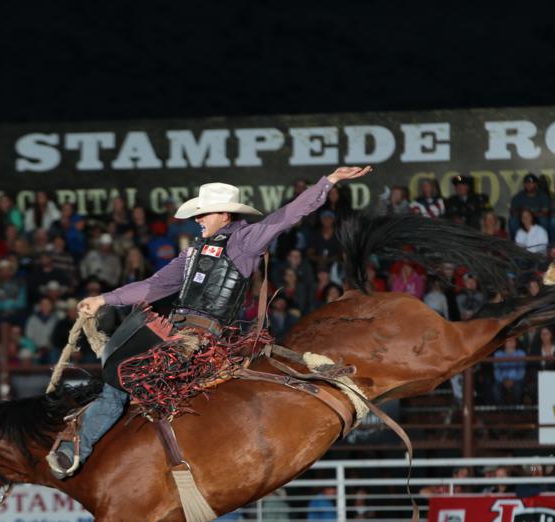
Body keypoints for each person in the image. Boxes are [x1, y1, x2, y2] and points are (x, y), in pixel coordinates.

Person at [48, 165, 372, 478]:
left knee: (120, 379)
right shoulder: (193, 252)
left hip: (202, 340)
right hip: (176, 332)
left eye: (204, 213)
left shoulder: (243, 242)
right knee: (119, 378)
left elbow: (285, 217)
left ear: (225, 215)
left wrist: (328, 182)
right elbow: (155, 285)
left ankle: (81, 447)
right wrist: (103, 299)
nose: (198, 219)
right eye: (198, 214)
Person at [492, 338, 526, 405]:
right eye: (508, 341)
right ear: (504, 343)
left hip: (517, 380)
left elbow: (521, 371)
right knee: (495, 389)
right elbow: (496, 371)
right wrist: (503, 380)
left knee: (518, 388)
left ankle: (516, 409)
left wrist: (513, 380)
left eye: (513, 340)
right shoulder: (498, 354)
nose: (510, 342)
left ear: (516, 342)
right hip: (501, 380)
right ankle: (502, 409)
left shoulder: (521, 353)